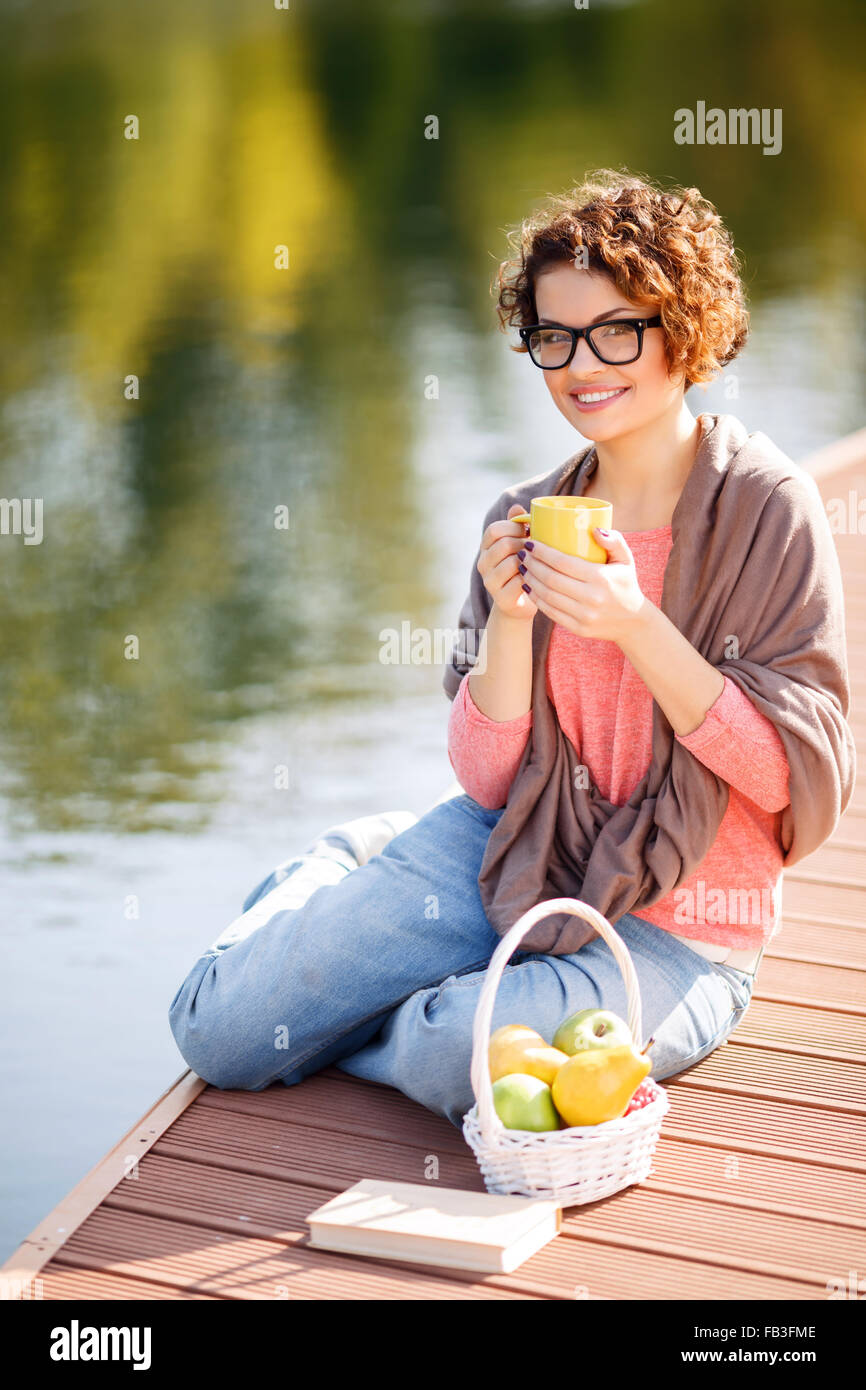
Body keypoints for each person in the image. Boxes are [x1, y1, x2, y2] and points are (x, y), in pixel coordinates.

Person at [168, 170, 851, 1130]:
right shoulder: (526, 518)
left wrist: (636, 625)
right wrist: (514, 620)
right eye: (553, 335)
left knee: (463, 1054)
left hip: (686, 933)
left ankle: (374, 954)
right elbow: (489, 782)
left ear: (683, 327)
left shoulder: (763, 508)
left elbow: (789, 775)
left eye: (617, 329)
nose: (583, 364)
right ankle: (340, 876)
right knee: (224, 1034)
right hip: (513, 849)